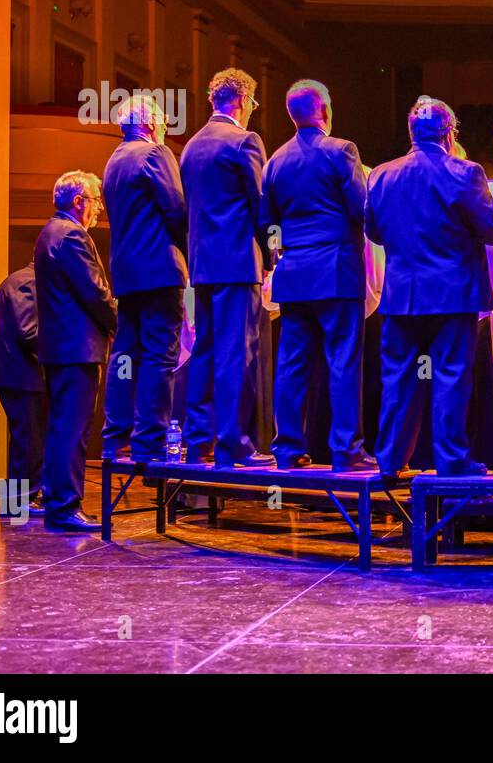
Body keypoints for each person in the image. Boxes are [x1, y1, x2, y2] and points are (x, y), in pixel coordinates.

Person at [368, 97, 493, 481]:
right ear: (449, 133)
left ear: (412, 133)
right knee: (450, 376)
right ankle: (451, 459)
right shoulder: (466, 172)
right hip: (452, 293)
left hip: (402, 294)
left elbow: (373, 232)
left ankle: (391, 460)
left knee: (398, 378)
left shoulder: (381, 174)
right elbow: (492, 230)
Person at [260, 80, 373, 472]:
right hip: (337, 271)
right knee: (343, 361)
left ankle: (288, 449)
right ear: (324, 108)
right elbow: (362, 209)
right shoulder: (341, 151)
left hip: (294, 273)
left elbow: (267, 223)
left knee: (292, 363)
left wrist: (281, 256)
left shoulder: (274, 161)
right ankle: (346, 451)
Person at [179, 68, 274, 468]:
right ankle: (233, 443)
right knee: (237, 355)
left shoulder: (190, 146)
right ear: (240, 100)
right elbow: (260, 204)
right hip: (237, 264)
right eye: (252, 102)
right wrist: (271, 258)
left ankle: (198, 440)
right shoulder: (244, 141)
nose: (253, 110)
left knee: (205, 351)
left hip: (203, 265)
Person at [101, 94, 187, 463]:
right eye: (164, 123)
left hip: (126, 274)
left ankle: (115, 436)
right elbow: (177, 210)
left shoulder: (112, 162)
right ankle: (149, 441)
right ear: (151, 124)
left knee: (124, 355)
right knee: (159, 357)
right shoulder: (154, 155)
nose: (166, 129)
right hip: (158, 271)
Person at [34, 171, 117, 531]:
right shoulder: (72, 236)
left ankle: (57, 501)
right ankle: (66, 506)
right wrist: (120, 321)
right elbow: (95, 292)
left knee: (61, 427)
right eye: (96, 200)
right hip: (77, 348)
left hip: (60, 347)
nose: (99, 208)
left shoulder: (49, 232)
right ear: (79, 201)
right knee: (73, 429)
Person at [0, 260, 46, 512]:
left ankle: (20, 498)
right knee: (28, 438)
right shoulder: (28, 282)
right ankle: (21, 500)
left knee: (26, 437)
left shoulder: (23, 279)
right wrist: (61, 350)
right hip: (18, 372)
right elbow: (28, 332)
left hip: (15, 371)